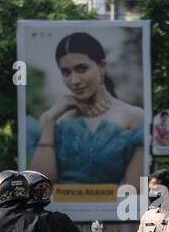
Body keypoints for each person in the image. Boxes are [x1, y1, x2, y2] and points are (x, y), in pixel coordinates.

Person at [26, 32, 145, 188]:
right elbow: (41, 185)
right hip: (61, 210)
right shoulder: (54, 120)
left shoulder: (134, 117)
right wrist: (49, 120)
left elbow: (133, 190)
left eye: (81, 69)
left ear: (102, 67)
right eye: (66, 73)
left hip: (113, 210)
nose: (74, 81)